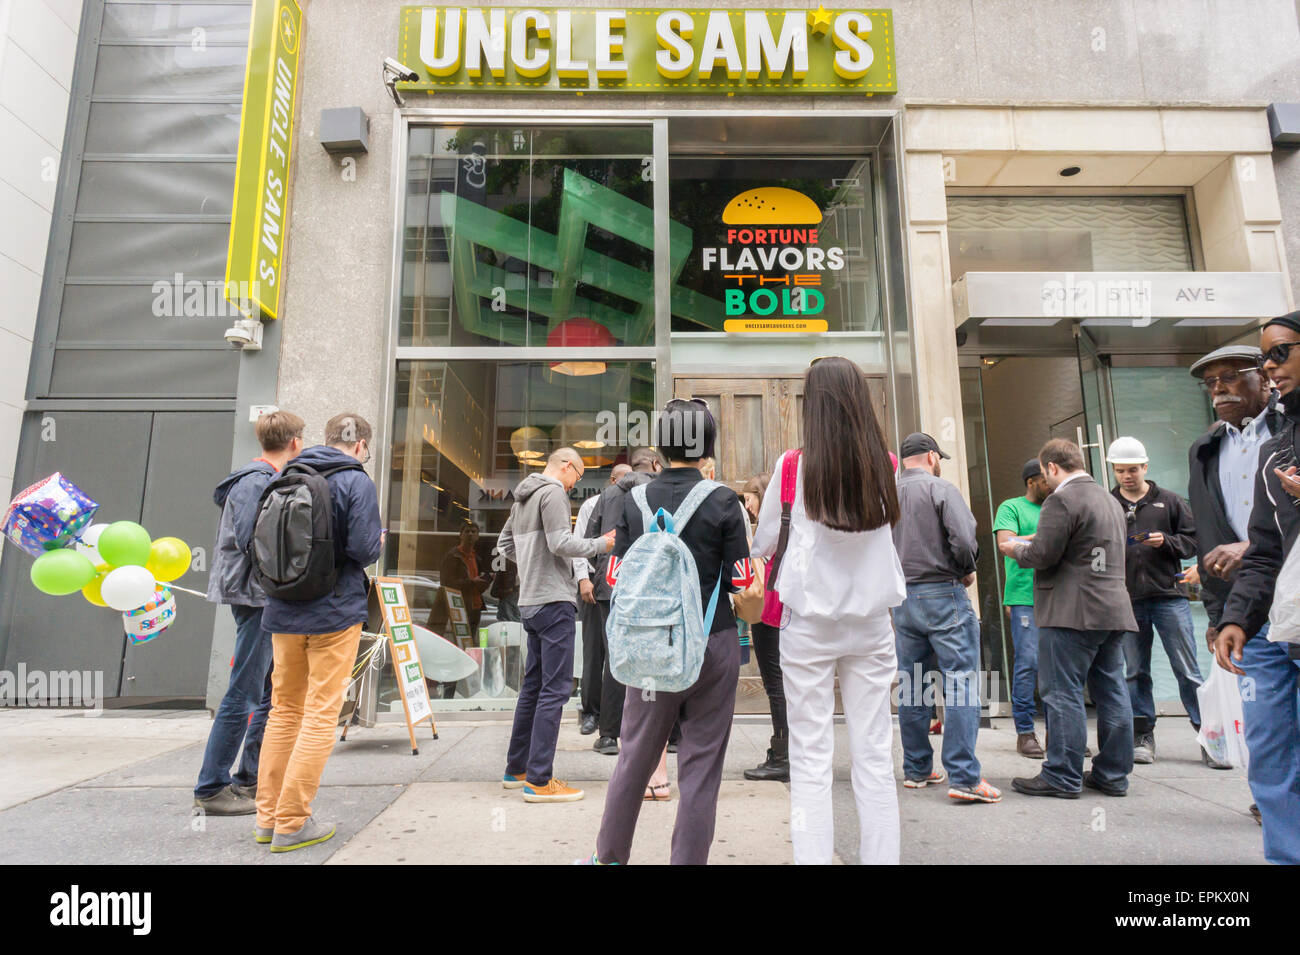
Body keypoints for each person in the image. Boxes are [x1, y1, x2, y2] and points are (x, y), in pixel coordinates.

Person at [583, 399, 751, 864]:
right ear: (708, 446)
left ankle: (610, 857)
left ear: (660, 445)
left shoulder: (633, 500)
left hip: (652, 651)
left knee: (634, 757)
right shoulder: (724, 501)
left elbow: (614, 575)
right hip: (711, 645)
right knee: (701, 766)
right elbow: (739, 580)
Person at [752, 357, 906, 864]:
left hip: (809, 625)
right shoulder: (885, 462)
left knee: (811, 756)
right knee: (874, 755)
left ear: (810, 404)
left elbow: (765, 541)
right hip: (871, 625)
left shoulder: (792, 465)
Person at [256, 412, 384, 851]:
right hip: (332, 613)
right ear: (361, 445)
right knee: (319, 714)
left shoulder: (287, 474)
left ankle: (267, 817)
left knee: (283, 711)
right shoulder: (355, 481)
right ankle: (293, 822)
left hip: (283, 611)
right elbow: (364, 550)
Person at [1001, 438, 1136, 799]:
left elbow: (1044, 554)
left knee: (1062, 692)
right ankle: (1112, 774)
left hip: (1072, 612)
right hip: (1113, 608)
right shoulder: (1109, 499)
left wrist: (1015, 548)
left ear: (1053, 468)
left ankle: (1062, 774)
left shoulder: (1062, 499)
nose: (1047, 480)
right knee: (1112, 691)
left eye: (1046, 473)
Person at [1214, 310, 1300, 865]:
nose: (1269, 368)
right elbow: (1264, 548)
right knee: (1268, 751)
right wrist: (1237, 618)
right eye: (1264, 357)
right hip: (1279, 624)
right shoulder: (1279, 447)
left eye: (1279, 353)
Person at [195, 410, 304, 816]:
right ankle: (211, 787)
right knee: (244, 692)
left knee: (266, 691)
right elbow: (253, 541)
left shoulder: (257, 479)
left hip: (258, 595)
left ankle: (250, 778)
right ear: (294, 442)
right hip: (255, 597)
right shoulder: (256, 482)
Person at [1187, 343, 1281, 790]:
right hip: (1249, 609)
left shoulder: (1289, 431)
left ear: (1265, 377)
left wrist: (1251, 546)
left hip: (1292, 589)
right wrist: (1218, 613)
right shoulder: (1206, 449)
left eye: (1230, 376)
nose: (1219, 388)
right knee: (1265, 728)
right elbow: (1208, 536)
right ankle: (1276, 815)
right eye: (1211, 383)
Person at [497, 448, 613, 803]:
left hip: (530, 603)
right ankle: (539, 780)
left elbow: (504, 545)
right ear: (566, 466)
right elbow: (561, 543)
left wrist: (534, 564)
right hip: (554, 601)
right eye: (577, 476)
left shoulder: (522, 498)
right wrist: (601, 543)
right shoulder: (553, 494)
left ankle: (516, 769)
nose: (576, 482)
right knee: (556, 690)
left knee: (533, 688)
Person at [892, 432, 1000, 803]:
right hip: (942, 591)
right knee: (961, 682)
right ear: (933, 457)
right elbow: (965, 541)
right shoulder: (941, 489)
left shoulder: (886, 493)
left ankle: (918, 769)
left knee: (913, 682)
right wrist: (966, 568)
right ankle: (965, 778)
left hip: (902, 598)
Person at [1106, 436, 1202, 765]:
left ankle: (1208, 734)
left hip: (1169, 598)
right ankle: (1142, 736)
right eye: (1120, 470)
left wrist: (1168, 542)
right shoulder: (1107, 505)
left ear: (1145, 467)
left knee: (1187, 670)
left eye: (1132, 469)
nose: (1126, 476)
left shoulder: (1171, 502)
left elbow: (1193, 543)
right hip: (1129, 601)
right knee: (1135, 672)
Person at [585, 449, 662, 755]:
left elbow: (592, 538)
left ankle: (608, 735)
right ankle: (669, 734)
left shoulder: (607, 495)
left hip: (611, 584)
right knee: (656, 655)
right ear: (655, 465)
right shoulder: (660, 492)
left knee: (615, 659)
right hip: (652, 585)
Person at [993, 458, 1053, 759]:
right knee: (1028, 663)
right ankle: (1025, 732)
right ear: (1031, 482)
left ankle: (1059, 733)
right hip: (1023, 597)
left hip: (1058, 597)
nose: (1051, 483)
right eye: (1045, 479)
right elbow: (1007, 542)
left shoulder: (1058, 505)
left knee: (1057, 666)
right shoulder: (1011, 507)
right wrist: (1044, 538)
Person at [739, 471, 790, 782]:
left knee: (775, 683)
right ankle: (787, 750)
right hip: (785, 610)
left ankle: (783, 755)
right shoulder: (789, 523)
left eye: (750, 499)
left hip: (770, 610)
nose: (748, 507)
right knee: (782, 681)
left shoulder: (770, 530)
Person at [577, 464, 629, 736]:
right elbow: (580, 545)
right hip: (591, 582)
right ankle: (590, 712)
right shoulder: (592, 504)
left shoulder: (633, 502)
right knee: (593, 651)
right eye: (624, 480)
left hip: (616, 587)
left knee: (614, 653)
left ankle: (613, 715)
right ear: (612, 480)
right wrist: (583, 579)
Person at [431, 522, 491, 642]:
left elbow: (477, 586)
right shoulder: (452, 556)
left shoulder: (477, 558)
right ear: (461, 535)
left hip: (475, 607)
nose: (470, 534)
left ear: (477, 536)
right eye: (467, 531)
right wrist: (472, 582)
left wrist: (485, 582)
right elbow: (447, 583)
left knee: (469, 642)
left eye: (473, 532)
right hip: (459, 607)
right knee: (457, 642)